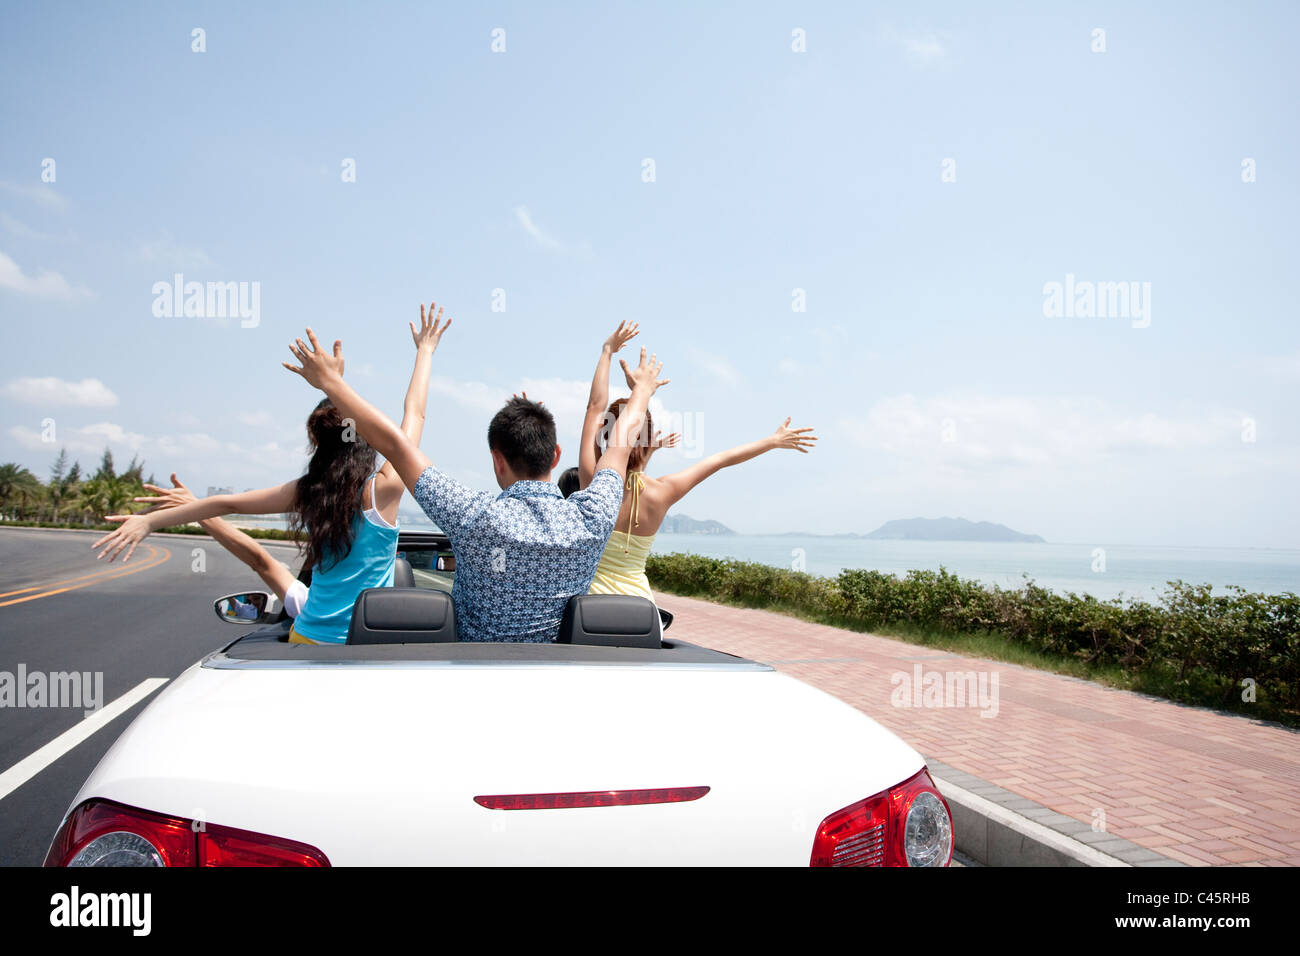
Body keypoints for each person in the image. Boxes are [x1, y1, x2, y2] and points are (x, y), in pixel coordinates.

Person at [280, 324, 668, 643]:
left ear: (497, 460)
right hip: (553, 681)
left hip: (472, 680)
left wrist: (332, 384)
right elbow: (621, 442)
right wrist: (642, 391)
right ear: (555, 455)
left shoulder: (474, 516)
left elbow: (396, 444)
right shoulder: (591, 517)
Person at [93, 304, 452, 645]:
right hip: (359, 643)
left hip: (307, 636)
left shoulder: (307, 492)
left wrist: (150, 523)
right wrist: (425, 350)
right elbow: (415, 415)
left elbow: (223, 503)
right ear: (367, 443)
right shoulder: (383, 491)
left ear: (316, 441)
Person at [578, 326, 816, 604]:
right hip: (642, 612)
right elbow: (721, 460)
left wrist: (607, 351)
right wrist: (772, 441)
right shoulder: (663, 491)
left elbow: (595, 406)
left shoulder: (593, 482)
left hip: (592, 609)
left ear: (605, 435)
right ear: (647, 441)